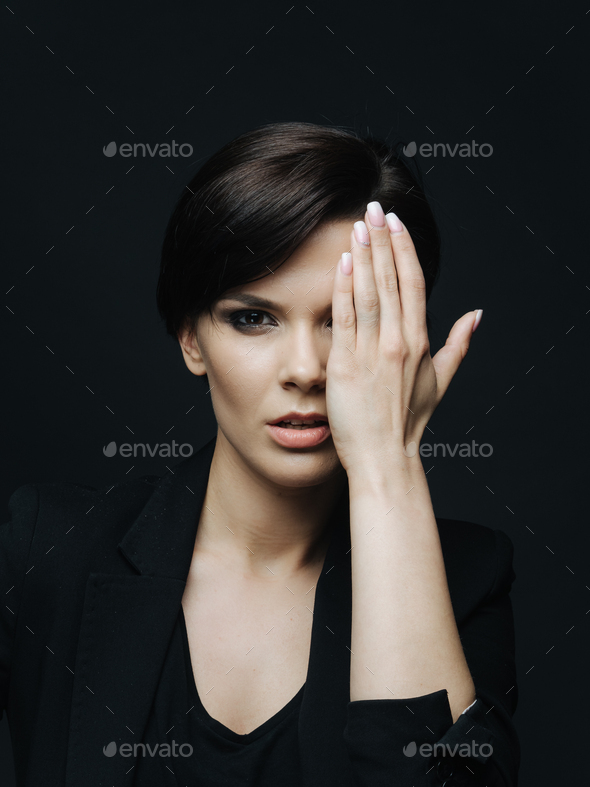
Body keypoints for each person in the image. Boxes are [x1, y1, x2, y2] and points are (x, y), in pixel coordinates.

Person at [0, 121, 519, 786]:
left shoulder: (467, 578)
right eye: (253, 317)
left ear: (405, 340)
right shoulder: (49, 549)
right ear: (191, 337)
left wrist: (388, 467)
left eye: (343, 318)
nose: (305, 368)